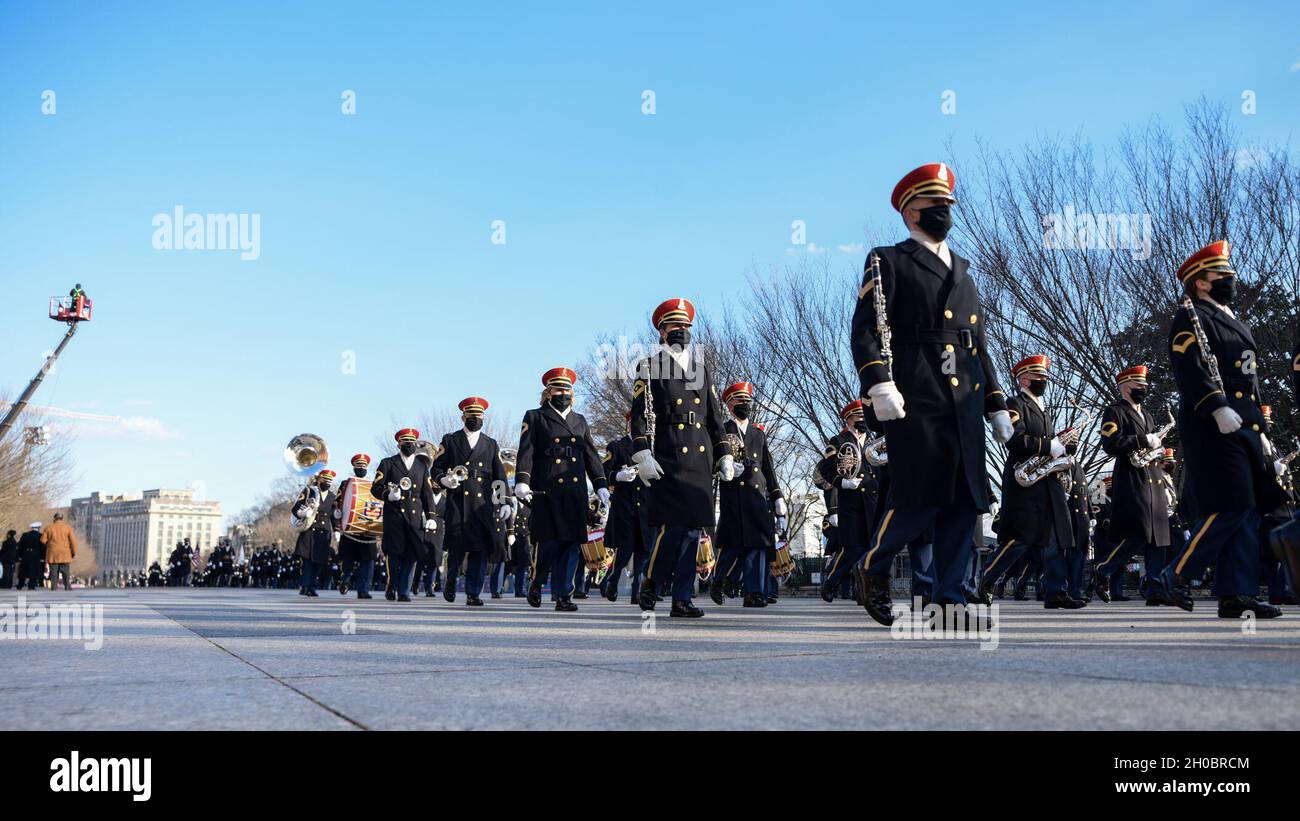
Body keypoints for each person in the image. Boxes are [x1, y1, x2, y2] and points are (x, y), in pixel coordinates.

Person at [850, 162, 1013, 626]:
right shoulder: (889, 259)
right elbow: (865, 328)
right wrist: (879, 381)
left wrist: (996, 401)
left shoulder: (964, 270)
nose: (944, 212)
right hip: (917, 390)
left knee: (964, 500)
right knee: (918, 495)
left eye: (947, 205)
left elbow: (978, 342)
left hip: (964, 400)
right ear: (910, 213)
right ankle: (873, 568)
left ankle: (948, 598)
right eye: (934, 206)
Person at [1148, 241, 1287, 617]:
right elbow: (1191, 369)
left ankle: (1235, 593)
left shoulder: (1233, 319)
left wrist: (1265, 438)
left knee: (1247, 510)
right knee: (1232, 505)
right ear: (1202, 283)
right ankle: (1173, 575)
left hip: (1245, 426)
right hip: (1213, 424)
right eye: (1222, 275)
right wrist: (1216, 405)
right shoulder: (1191, 317)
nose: (1231, 280)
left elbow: (1252, 383)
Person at [628, 298, 731, 618]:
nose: (682, 331)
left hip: (700, 452)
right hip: (669, 449)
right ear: (661, 331)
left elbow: (715, 417)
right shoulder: (649, 365)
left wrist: (725, 452)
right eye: (675, 326)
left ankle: (682, 599)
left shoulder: (702, 369)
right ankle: (651, 581)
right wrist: (641, 451)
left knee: (693, 531)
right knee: (672, 528)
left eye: (686, 326)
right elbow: (638, 414)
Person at [982, 355, 1083, 609]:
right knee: (1020, 540)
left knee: (1055, 539)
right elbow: (1014, 440)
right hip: (1024, 482)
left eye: (1044, 377)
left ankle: (1056, 592)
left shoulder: (1042, 408)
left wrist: (1065, 446)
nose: (1044, 381)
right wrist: (1049, 445)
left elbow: (1051, 446)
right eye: (1039, 377)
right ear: (1024, 379)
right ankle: (985, 578)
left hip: (1047, 481)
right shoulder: (1015, 403)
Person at [515, 369, 610, 611]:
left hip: (574, 489)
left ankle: (563, 595)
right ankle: (537, 581)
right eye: (558, 389)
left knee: (570, 543)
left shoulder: (580, 420)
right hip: (547, 486)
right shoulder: (535, 417)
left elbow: (590, 454)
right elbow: (526, 450)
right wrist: (522, 479)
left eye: (567, 390)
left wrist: (600, 483)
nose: (563, 393)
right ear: (548, 392)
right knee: (549, 542)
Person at [1094, 365, 1172, 604]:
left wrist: (1156, 447)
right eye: (1139, 385)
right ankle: (1103, 570)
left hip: (1152, 476)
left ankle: (1156, 589)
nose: (1144, 389)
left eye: (1145, 385)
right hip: (1132, 478)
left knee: (1159, 535)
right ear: (1126, 387)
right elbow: (1110, 444)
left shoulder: (1147, 415)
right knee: (1139, 533)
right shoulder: (1115, 412)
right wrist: (1142, 439)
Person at [710, 382, 784, 608]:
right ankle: (719, 580)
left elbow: (768, 468)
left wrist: (778, 496)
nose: (746, 405)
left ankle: (754, 592)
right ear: (730, 404)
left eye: (747, 401)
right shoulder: (722, 431)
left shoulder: (758, 434)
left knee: (758, 544)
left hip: (758, 497)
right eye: (741, 401)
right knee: (734, 546)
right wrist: (723, 469)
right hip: (735, 497)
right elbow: (712, 462)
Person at [434, 398, 510, 606]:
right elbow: (436, 467)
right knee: (457, 547)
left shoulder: (490, 443)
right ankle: (451, 579)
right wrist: (444, 480)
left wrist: (505, 502)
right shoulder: (450, 440)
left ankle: (473, 593)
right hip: (458, 500)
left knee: (480, 549)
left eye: (479, 416)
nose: (475, 419)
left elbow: (499, 475)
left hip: (482, 503)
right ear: (463, 417)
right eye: (471, 416)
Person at [815, 400, 880, 602]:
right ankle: (831, 583)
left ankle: (864, 593)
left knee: (870, 548)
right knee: (853, 548)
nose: (864, 420)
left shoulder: (872, 442)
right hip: (850, 502)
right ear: (849, 419)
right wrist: (842, 482)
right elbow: (825, 468)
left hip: (871, 501)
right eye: (860, 417)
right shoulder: (838, 440)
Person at [372, 428, 438, 602]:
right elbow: (375, 487)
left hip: (414, 516)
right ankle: (392, 585)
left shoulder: (422, 467)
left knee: (412, 554)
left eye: (412, 442)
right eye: (405, 442)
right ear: (398, 444)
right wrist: (388, 495)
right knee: (395, 553)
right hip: (395, 514)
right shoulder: (387, 463)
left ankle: (404, 591)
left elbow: (427, 493)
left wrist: (431, 516)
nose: (409, 445)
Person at [601, 412, 650, 603]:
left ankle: (636, 592)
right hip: (625, 505)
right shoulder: (617, 446)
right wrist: (617, 476)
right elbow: (603, 471)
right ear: (629, 424)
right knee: (626, 548)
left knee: (644, 549)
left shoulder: (651, 448)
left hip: (646, 506)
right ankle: (612, 580)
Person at [334, 454, 379, 599]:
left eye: (363, 466)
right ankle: (345, 580)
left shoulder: (373, 485)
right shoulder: (346, 484)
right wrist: (337, 514)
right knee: (348, 560)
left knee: (369, 560)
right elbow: (337, 502)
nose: (361, 468)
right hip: (350, 530)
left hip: (368, 529)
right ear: (354, 468)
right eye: (359, 466)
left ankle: (363, 589)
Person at [292, 470, 336, 597]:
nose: (327, 482)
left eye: (329, 481)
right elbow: (295, 507)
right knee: (307, 561)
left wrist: (337, 530)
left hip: (324, 534)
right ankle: (307, 586)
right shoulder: (309, 491)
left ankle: (311, 584)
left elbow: (333, 516)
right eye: (324, 480)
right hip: (310, 530)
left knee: (320, 562)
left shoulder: (333, 497)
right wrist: (302, 512)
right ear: (319, 479)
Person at [40, 513, 79, 591]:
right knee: (66, 571)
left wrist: (50, 543)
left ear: (54, 518)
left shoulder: (48, 528)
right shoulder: (68, 528)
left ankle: (54, 587)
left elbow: (42, 540)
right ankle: (67, 587)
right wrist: (74, 552)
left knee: (54, 571)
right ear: (62, 518)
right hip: (65, 553)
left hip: (53, 553)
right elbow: (73, 542)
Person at [16, 523, 45, 590]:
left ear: (31, 528)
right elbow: (42, 547)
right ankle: (31, 585)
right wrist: (42, 557)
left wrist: (19, 556)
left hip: (25, 554)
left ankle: (20, 584)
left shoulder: (25, 535)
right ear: (38, 528)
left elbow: (20, 546)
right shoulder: (40, 536)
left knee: (23, 570)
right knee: (34, 570)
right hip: (35, 555)